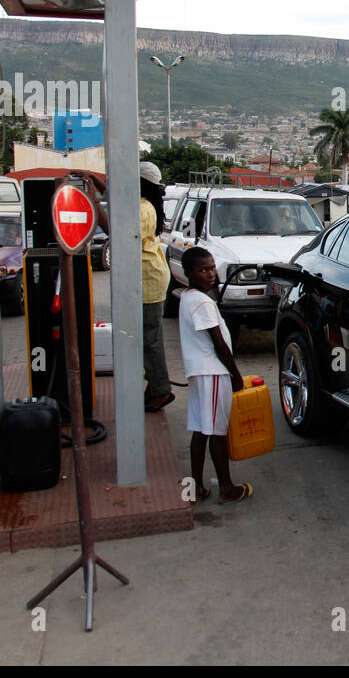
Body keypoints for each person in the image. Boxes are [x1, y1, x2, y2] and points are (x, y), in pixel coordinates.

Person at [75, 162, 174, 412]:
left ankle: (161, 389)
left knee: (150, 340)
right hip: (145, 277)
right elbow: (117, 195)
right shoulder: (140, 202)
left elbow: (116, 234)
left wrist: (93, 202)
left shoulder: (142, 209)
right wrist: (95, 182)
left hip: (147, 279)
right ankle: (155, 384)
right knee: (146, 336)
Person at [179, 246, 251, 505]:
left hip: (200, 372)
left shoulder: (188, 297)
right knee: (217, 432)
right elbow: (219, 344)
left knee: (201, 430)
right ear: (189, 273)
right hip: (212, 372)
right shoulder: (202, 303)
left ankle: (197, 487)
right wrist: (235, 373)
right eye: (202, 270)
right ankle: (227, 488)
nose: (210, 274)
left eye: (211, 268)